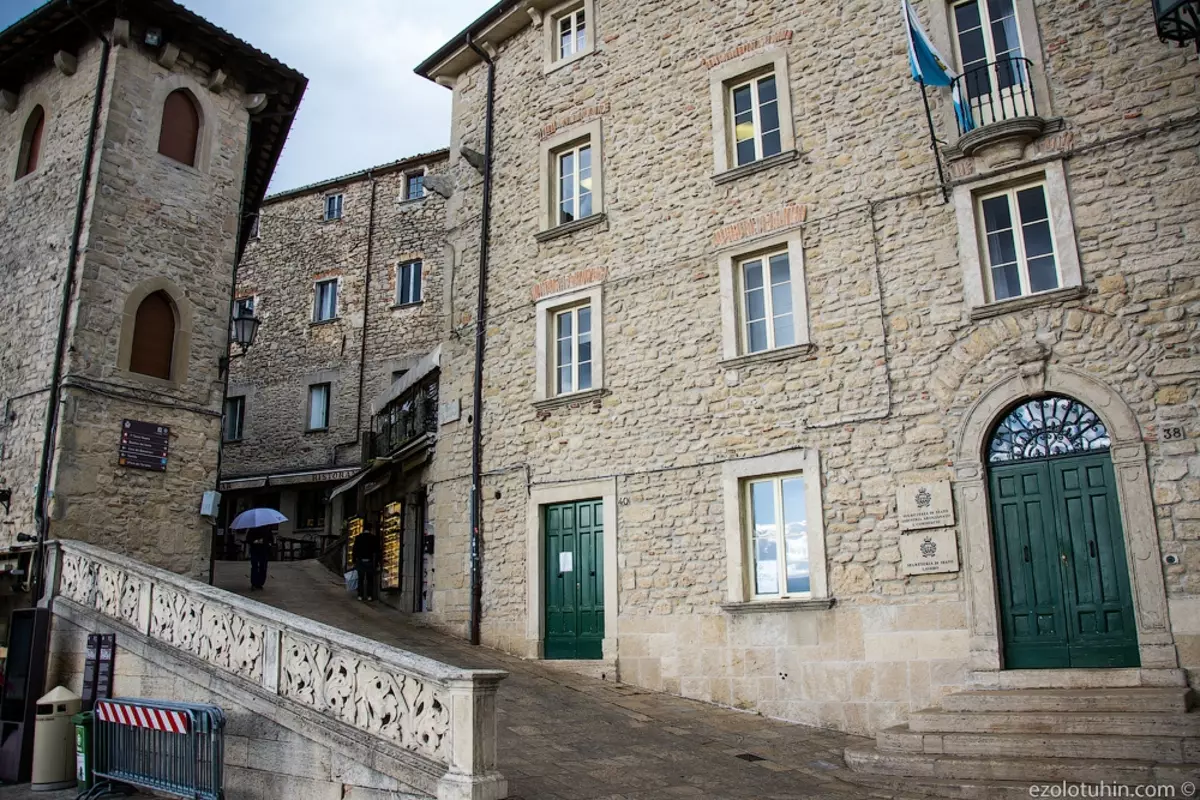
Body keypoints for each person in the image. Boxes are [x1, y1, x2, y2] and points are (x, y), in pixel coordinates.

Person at [354, 524, 379, 602]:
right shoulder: (373, 538)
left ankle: (360, 595)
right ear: (370, 529)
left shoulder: (358, 537)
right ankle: (369, 596)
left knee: (360, 579)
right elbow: (376, 551)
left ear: (363, 529)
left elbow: (355, 550)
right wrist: (377, 562)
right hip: (369, 561)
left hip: (360, 561)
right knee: (370, 579)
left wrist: (354, 560)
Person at [247, 525, 275, 590]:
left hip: (264, 550)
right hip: (255, 550)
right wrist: (255, 541)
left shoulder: (267, 528)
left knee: (263, 566)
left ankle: (260, 583)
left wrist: (269, 543)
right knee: (255, 566)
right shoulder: (253, 528)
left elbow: (271, 539)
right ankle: (254, 583)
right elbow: (248, 539)